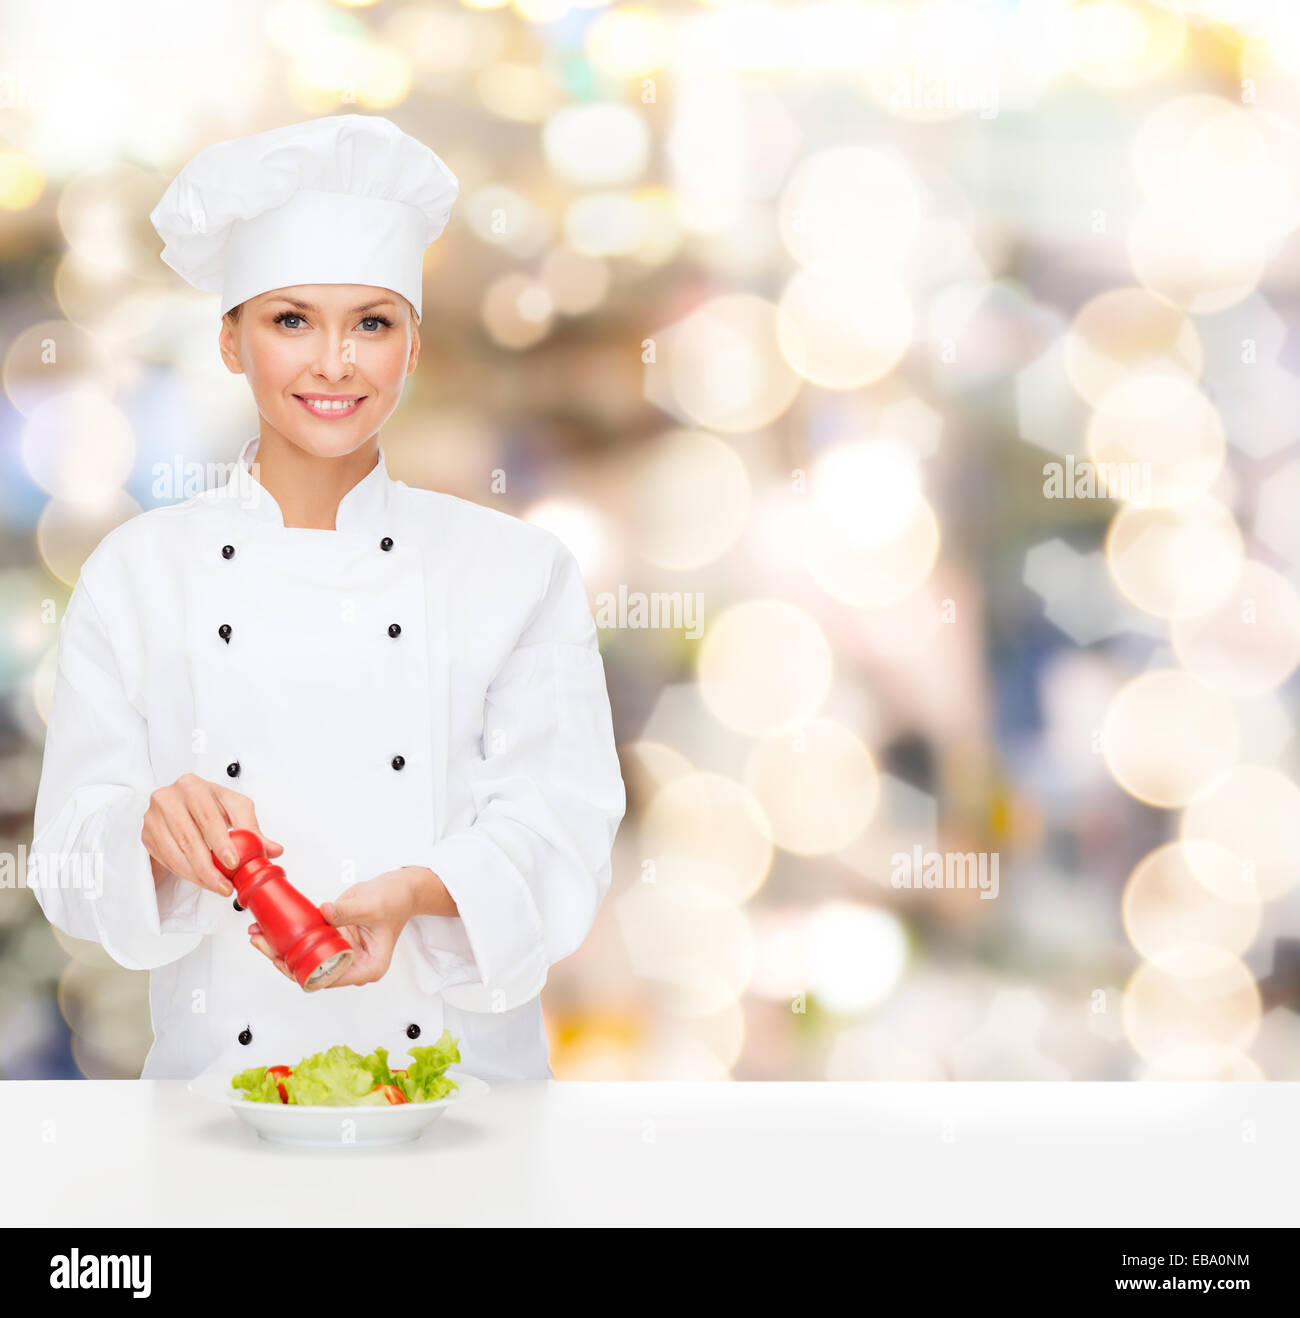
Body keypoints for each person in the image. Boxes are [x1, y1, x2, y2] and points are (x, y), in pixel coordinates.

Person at [28, 114, 626, 1084]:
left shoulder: (517, 570)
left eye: (373, 323)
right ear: (231, 339)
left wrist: (420, 891)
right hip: (218, 1098)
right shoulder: (139, 574)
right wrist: (146, 831)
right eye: (291, 319)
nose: (335, 364)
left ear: (414, 345)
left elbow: (562, 831)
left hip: (459, 1101)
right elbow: (64, 864)